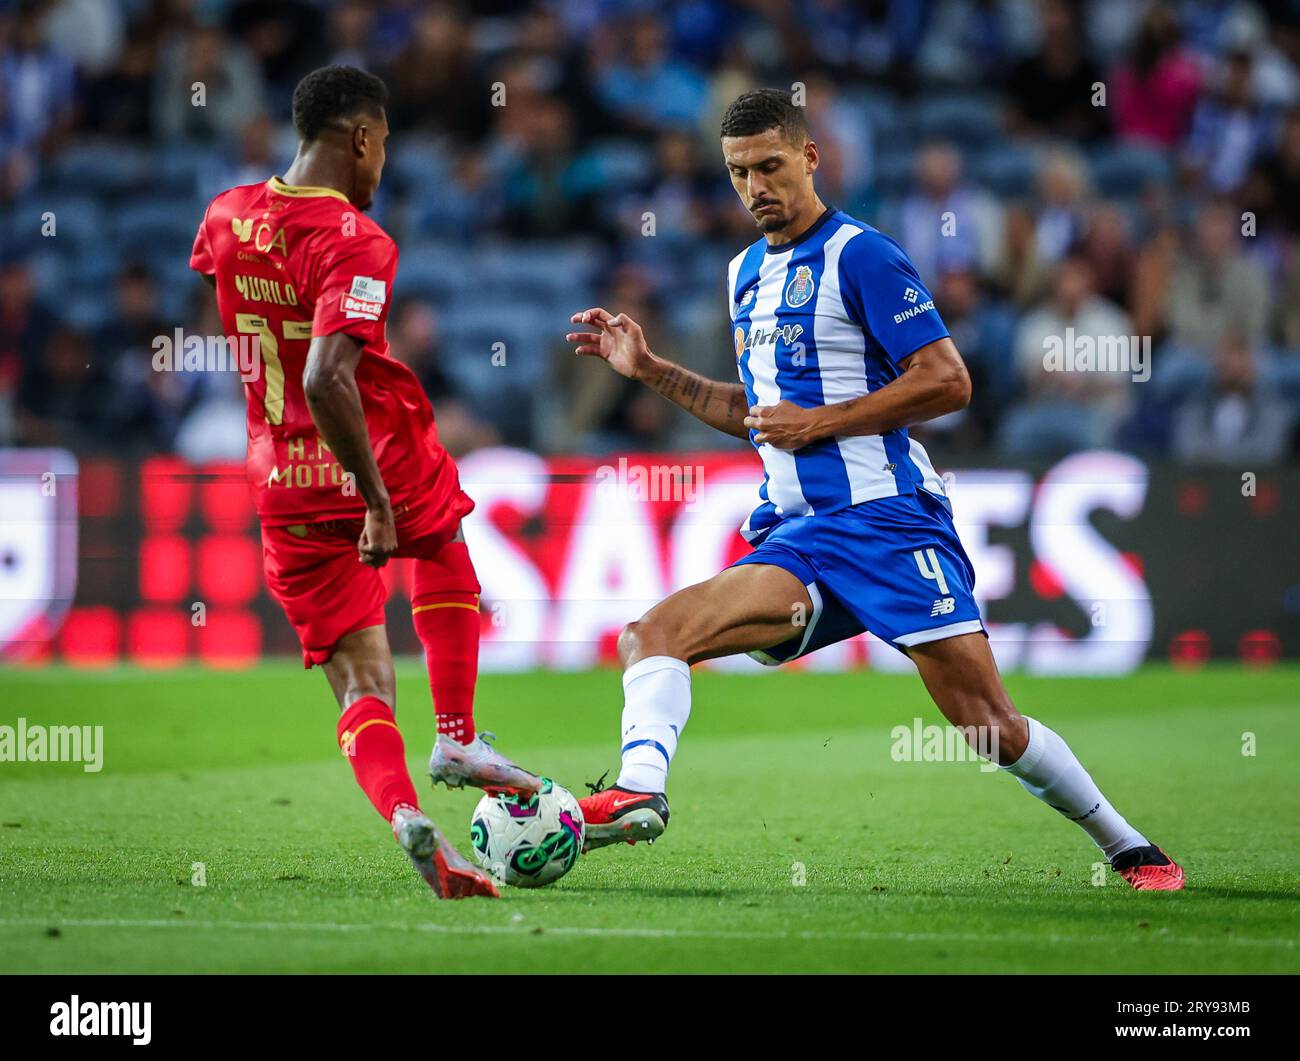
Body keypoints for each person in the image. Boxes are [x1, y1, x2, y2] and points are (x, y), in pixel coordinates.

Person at [566, 89, 1183, 891]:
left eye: (770, 166)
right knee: (654, 633)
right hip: (801, 540)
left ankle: (1130, 846)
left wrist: (823, 422)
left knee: (986, 727)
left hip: (889, 524)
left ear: (811, 158)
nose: (755, 187)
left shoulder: (864, 255)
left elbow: (947, 379)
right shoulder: (744, 272)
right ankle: (639, 792)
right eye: (737, 172)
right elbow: (758, 417)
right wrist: (652, 372)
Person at [190, 66, 539, 900]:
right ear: (361, 138)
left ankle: (408, 817)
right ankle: (455, 735)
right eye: (383, 146)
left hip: (280, 477)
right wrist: (376, 498)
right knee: (443, 524)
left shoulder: (225, 214)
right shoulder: (359, 240)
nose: (383, 165)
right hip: (364, 455)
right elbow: (323, 375)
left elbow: (237, 309)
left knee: (361, 682)